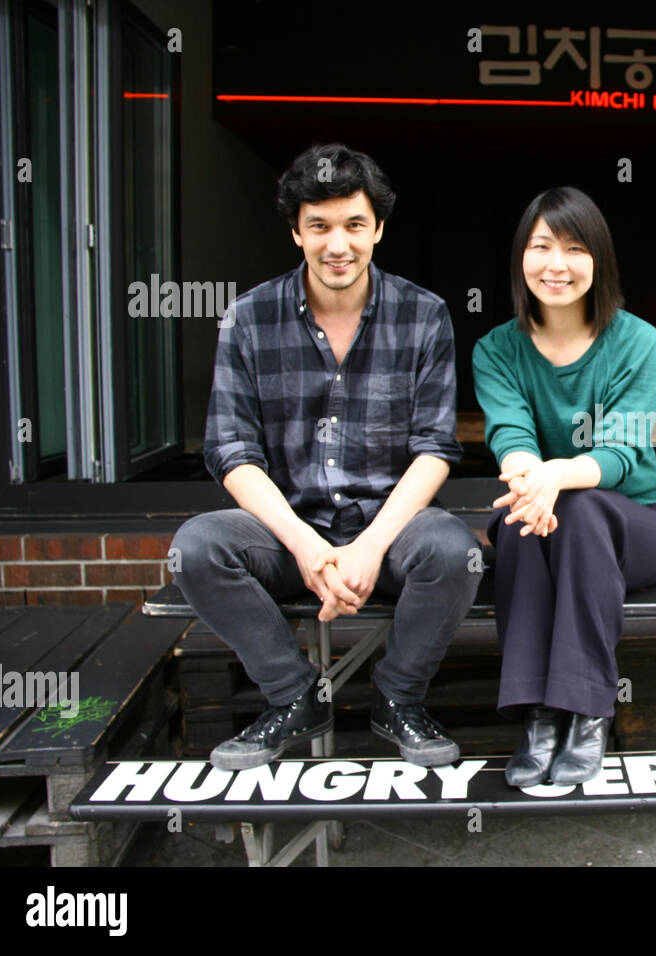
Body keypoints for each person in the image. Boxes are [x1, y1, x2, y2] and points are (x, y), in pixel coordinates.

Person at [171, 143, 479, 771]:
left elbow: (435, 449)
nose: (337, 244)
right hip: (286, 533)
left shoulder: (425, 316)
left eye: (353, 225)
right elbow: (231, 450)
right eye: (319, 226)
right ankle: (294, 695)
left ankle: (398, 699)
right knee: (197, 548)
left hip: (390, 532)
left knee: (455, 550)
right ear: (296, 232)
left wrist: (366, 549)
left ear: (379, 229)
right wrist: (310, 549)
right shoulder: (249, 318)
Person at [473, 186, 656, 787]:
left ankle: (587, 711)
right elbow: (509, 433)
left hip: (634, 527)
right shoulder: (496, 349)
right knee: (518, 521)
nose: (556, 264)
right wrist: (529, 481)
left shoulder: (638, 342)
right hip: (540, 521)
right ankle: (538, 719)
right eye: (541, 247)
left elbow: (618, 452)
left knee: (583, 506)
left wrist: (551, 479)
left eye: (574, 248)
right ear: (520, 257)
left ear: (600, 260)